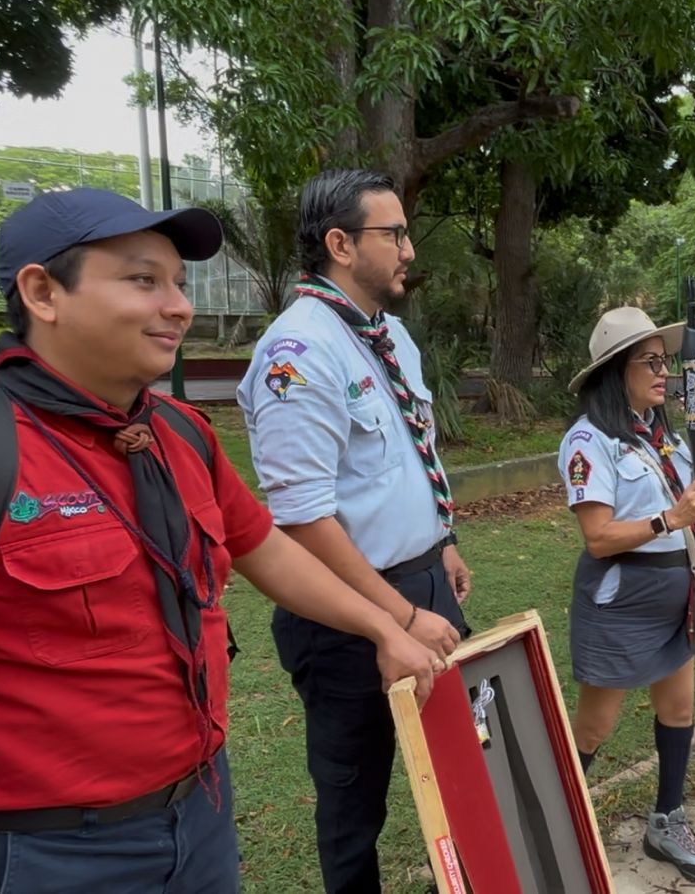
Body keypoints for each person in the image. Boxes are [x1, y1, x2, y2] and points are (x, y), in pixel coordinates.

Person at [0, 189, 440, 894]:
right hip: (33, 854)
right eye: (143, 280)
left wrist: (385, 626)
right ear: (43, 292)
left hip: (198, 819)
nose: (178, 306)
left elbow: (266, 549)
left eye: (179, 283)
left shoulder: (178, 433)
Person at [236, 168, 471, 894]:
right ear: (340, 243)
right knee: (354, 803)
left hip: (426, 582)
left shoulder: (388, 333)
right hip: (349, 614)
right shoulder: (297, 355)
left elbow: (412, 448)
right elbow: (303, 520)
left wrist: (444, 539)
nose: (407, 249)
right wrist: (396, 617)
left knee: (464, 769)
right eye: (392, 234)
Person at [559, 306, 695, 885]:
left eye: (666, 361)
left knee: (678, 710)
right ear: (614, 370)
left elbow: (684, 512)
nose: (664, 372)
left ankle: (667, 820)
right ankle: (557, 824)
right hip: (620, 598)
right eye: (650, 361)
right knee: (594, 728)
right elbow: (599, 538)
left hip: (674, 591)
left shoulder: (665, 433)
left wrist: (694, 495)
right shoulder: (588, 440)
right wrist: (670, 518)